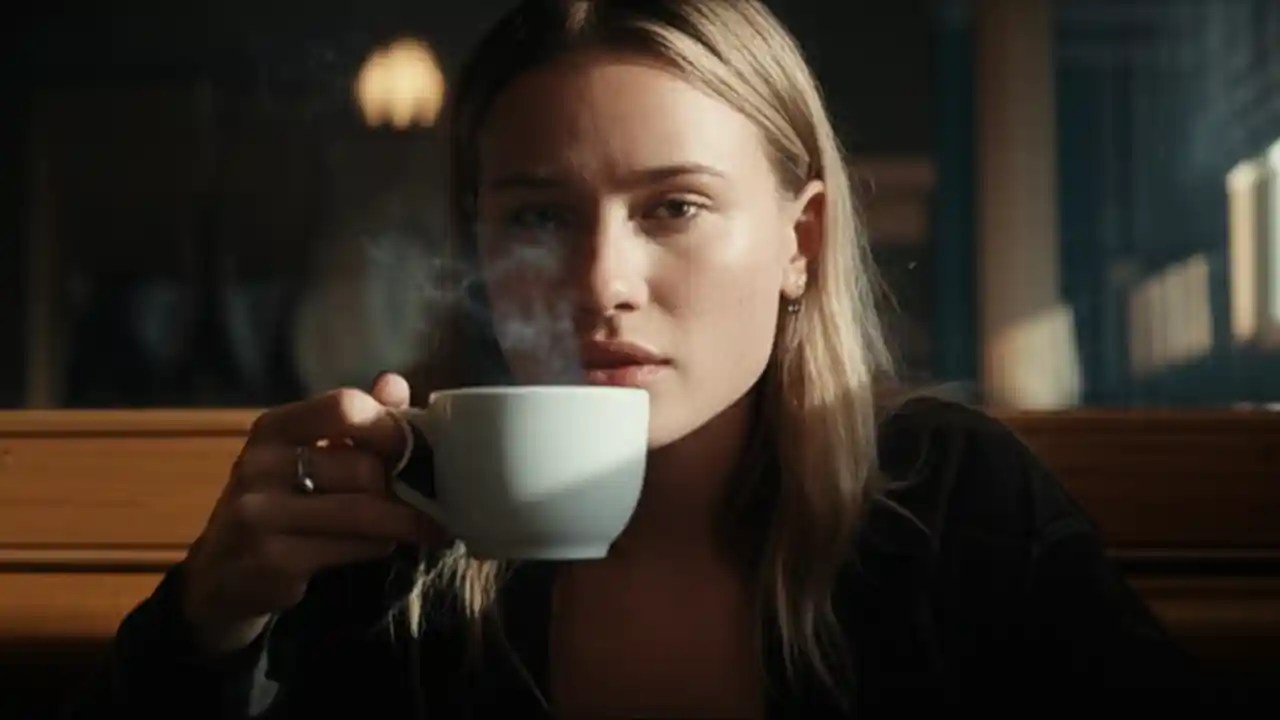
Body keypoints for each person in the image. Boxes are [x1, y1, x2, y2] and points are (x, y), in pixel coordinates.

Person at [65, 1, 1203, 717]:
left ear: (798, 243)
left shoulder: (952, 507)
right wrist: (214, 624)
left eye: (671, 207)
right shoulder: (386, 546)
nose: (600, 280)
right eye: (536, 218)